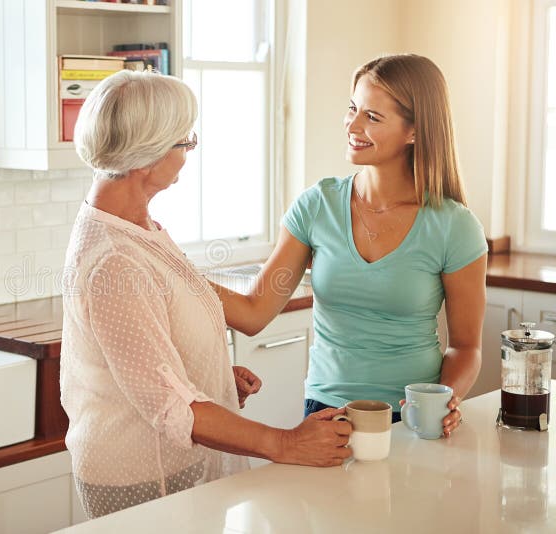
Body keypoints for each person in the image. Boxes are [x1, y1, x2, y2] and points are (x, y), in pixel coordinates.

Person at [60, 70, 352, 519]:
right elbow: (173, 407)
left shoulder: (140, 227)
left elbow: (152, 354)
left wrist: (207, 371)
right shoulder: (114, 261)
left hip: (175, 467)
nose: (189, 151)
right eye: (184, 141)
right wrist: (286, 442)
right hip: (142, 478)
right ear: (146, 157)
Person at [209, 54, 487, 436]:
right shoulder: (317, 207)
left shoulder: (454, 226)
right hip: (326, 413)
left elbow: (466, 347)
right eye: (353, 108)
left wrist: (444, 398)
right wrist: (169, 269)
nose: (352, 125)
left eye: (372, 117)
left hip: (413, 418)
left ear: (414, 131)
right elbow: (254, 311)